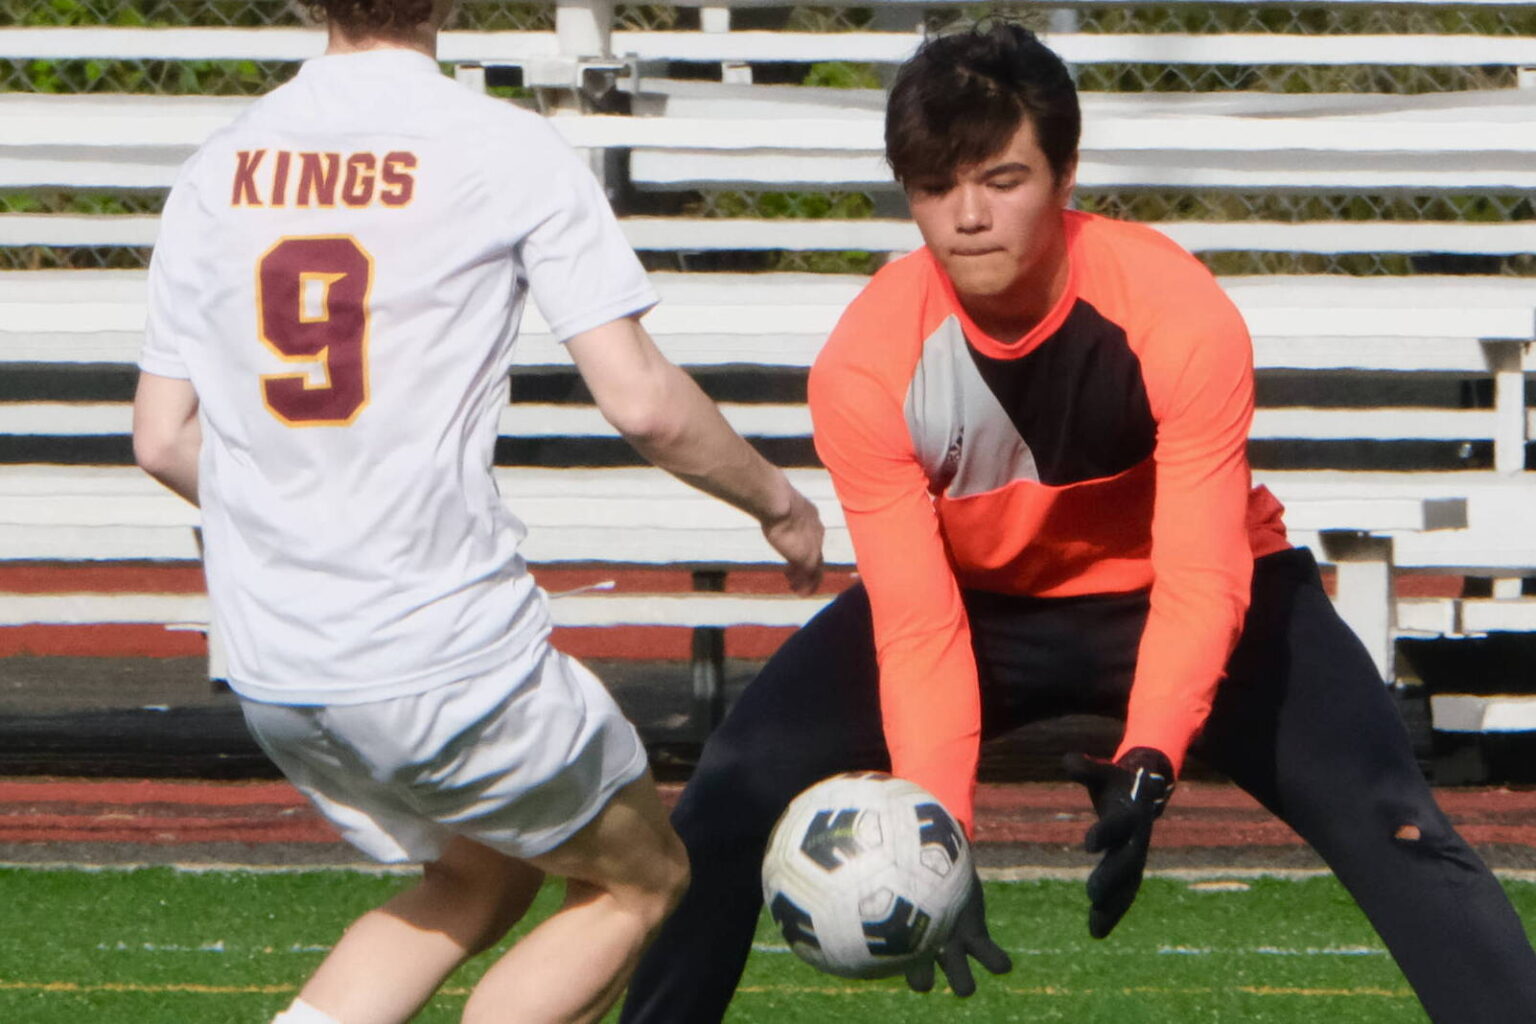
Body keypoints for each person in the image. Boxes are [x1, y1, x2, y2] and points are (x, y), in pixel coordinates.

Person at [618, 21, 1536, 1024]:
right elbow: (919, 626)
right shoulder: (866, 364)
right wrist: (939, 829)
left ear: (1066, 175)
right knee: (733, 788)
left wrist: (1150, 760)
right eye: (935, 186)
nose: (969, 216)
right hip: (976, 605)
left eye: (1002, 179)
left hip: (1186, 591)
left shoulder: (1176, 312)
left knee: (1393, 821)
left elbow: (1203, 579)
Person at [130, 2, 824, 1022]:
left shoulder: (217, 166)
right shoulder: (502, 146)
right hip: (437, 648)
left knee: (479, 875)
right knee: (641, 880)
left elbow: (160, 437)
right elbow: (643, 403)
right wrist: (779, 500)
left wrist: (306, 514)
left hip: (274, 659)